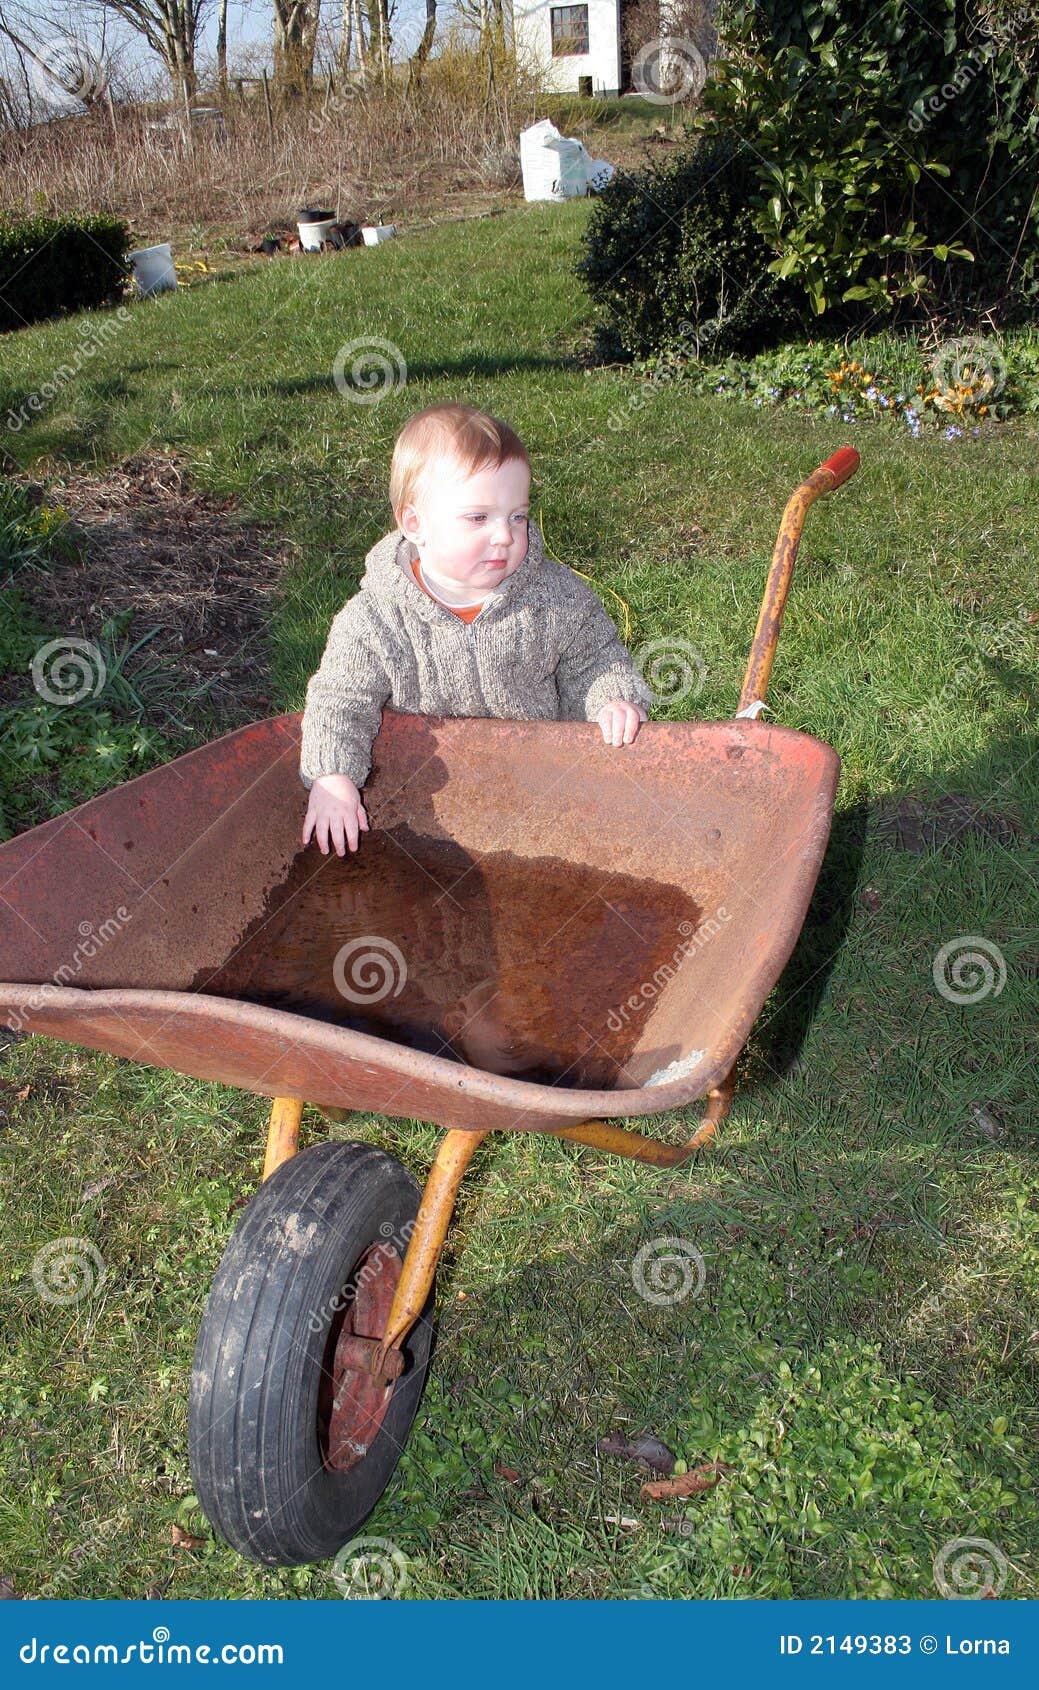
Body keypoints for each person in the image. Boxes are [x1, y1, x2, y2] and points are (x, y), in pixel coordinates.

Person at [300, 402, 653, 857]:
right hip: (423, 811)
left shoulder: (556, 599)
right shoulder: (376, 619)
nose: (504, 536)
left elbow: (597, 658)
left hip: (541, 797)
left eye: (517, 516)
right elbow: (340, 698)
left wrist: (614, 698)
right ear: (415, 525)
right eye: (478, 518)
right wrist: (333, 777)